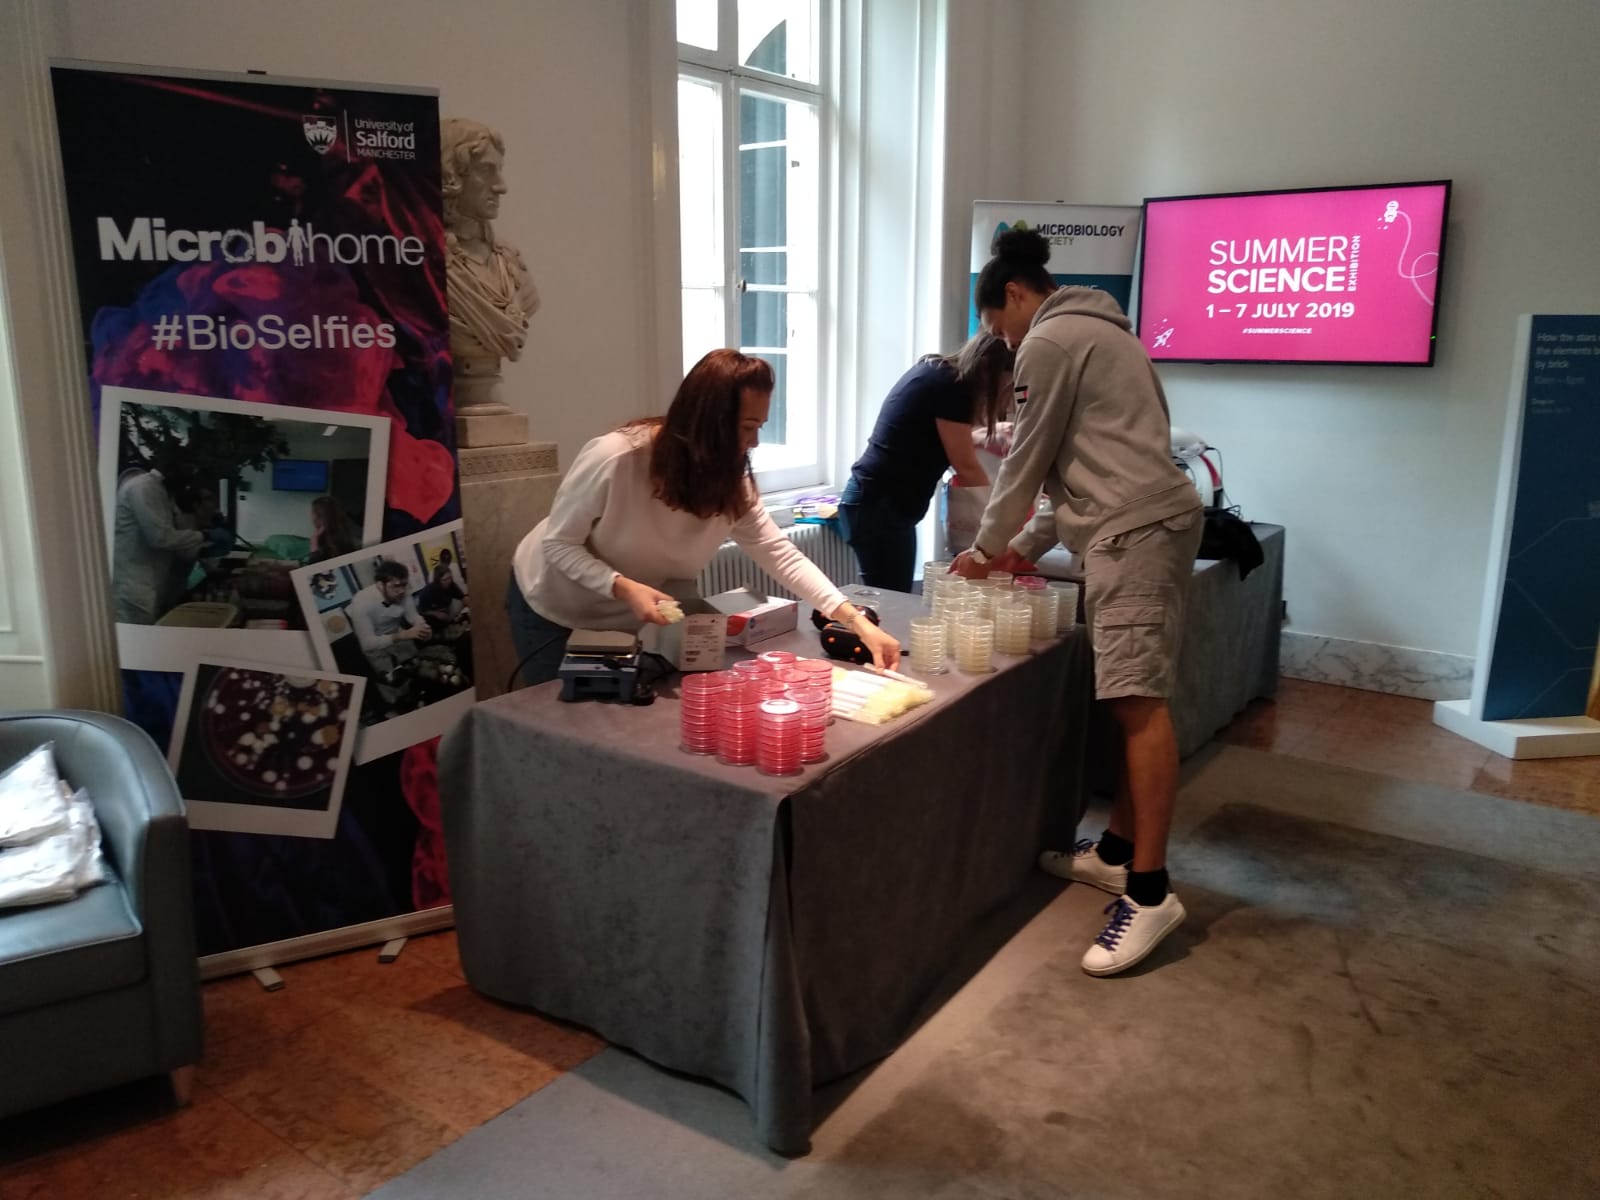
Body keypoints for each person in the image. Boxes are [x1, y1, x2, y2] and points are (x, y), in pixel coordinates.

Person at [952, 229, 1203, 978]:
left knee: (1136, 703)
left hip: (1135, 533)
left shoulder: (1050, 343)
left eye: (998, 324)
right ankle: (1121, 852)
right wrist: (1020, 549)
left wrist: (986, 547)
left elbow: (1026, 460)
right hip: (1144, 521)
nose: (1002, 341)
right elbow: (1078, 471)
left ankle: (1150, 894)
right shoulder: (1105, 333)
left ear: (1018, 295)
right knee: (1131, 697)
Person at [507, 349, 901, 686]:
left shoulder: (729, 482)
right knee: (558, 723)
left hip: (622, 617)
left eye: (760, 427)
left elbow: (781, 554)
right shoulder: (615, 459)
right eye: (747, 427)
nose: (755, 442)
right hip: (552, 605)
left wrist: (855, 620)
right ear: (708, 421)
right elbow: (558, 543)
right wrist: (623, 587)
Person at [839, 331, 1014, 592]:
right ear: (992, 371)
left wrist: (988, 435)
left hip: (876, 502)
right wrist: (1004, 521)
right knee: (891, 600)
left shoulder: (939, 372)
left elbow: (928, 436)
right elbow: (967, 470)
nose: (1004, 391)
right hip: (878, 506)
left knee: (891, 597)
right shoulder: (953, 387)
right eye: (1007, 383)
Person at [111, 457, 207, 624]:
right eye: (187, 472)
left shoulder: (160, 492)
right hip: (134, 588)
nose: (189, 481)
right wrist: (202, 536)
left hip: (148, 586)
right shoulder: (143, 487)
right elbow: (160, 538)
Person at [348, 560, 432, 676]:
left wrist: (422, 626)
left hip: (398, 634)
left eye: (404, 585)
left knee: (417, 669)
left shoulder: (403, 591)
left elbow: (413, 616)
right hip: (375, 645)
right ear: (380, 585)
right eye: (396, 586)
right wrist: (402, 635)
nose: (402, 591)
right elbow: (367, 643)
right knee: (396, 683)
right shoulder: (361, 602)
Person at [307, 495, 358, 564]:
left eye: (313, 512)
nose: (311, 516)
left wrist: (314, 544)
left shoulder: (322, 544)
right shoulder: (346, 540)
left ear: (318, 517)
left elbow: (314, 571)